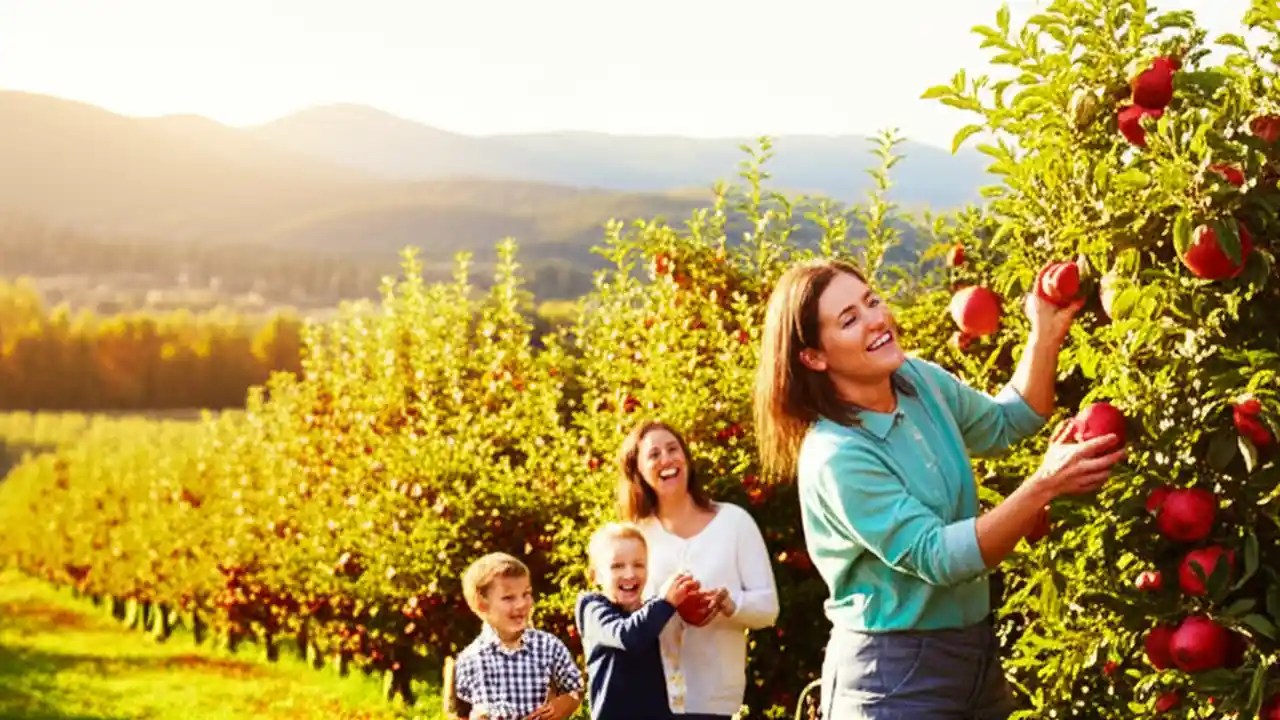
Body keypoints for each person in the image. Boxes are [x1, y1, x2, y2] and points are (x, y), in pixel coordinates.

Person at [752, 258, 1126, 719]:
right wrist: (1044, 485)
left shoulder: (917, 382)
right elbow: (940, 557)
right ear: (814, 356)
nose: (875, 319)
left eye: (871, 301)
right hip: (892, 675)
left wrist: (1045, 331)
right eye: (849, 320)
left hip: (973, 655)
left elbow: (1009, 421)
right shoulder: (837, 454)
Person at [617, 419, 780, 720]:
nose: (667, 459)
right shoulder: (634, 536)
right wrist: (665, 605)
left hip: (714, 702)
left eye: (673, 449)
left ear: (686, 458)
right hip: (647, 700)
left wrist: (730, 604)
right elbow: (621, 619)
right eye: (654, 454)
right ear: (637, 470)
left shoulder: (734, 522)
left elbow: (768, 608)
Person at [575, 521, 700, 720]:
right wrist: (665, 602)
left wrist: (695, 604)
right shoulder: (593, 609)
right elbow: (628, 635)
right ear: (595, 575)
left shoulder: (651, 611)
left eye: (638, 565)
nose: (630, 573)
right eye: (617, 566)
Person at [454, 552, 585, 720]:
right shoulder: (469, 660)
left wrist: (563, 705)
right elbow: (462, 713)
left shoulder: (548, 646)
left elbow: (576, 690)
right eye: (508, 598)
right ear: (481, 604)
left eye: (526, 594)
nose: (522, 604)